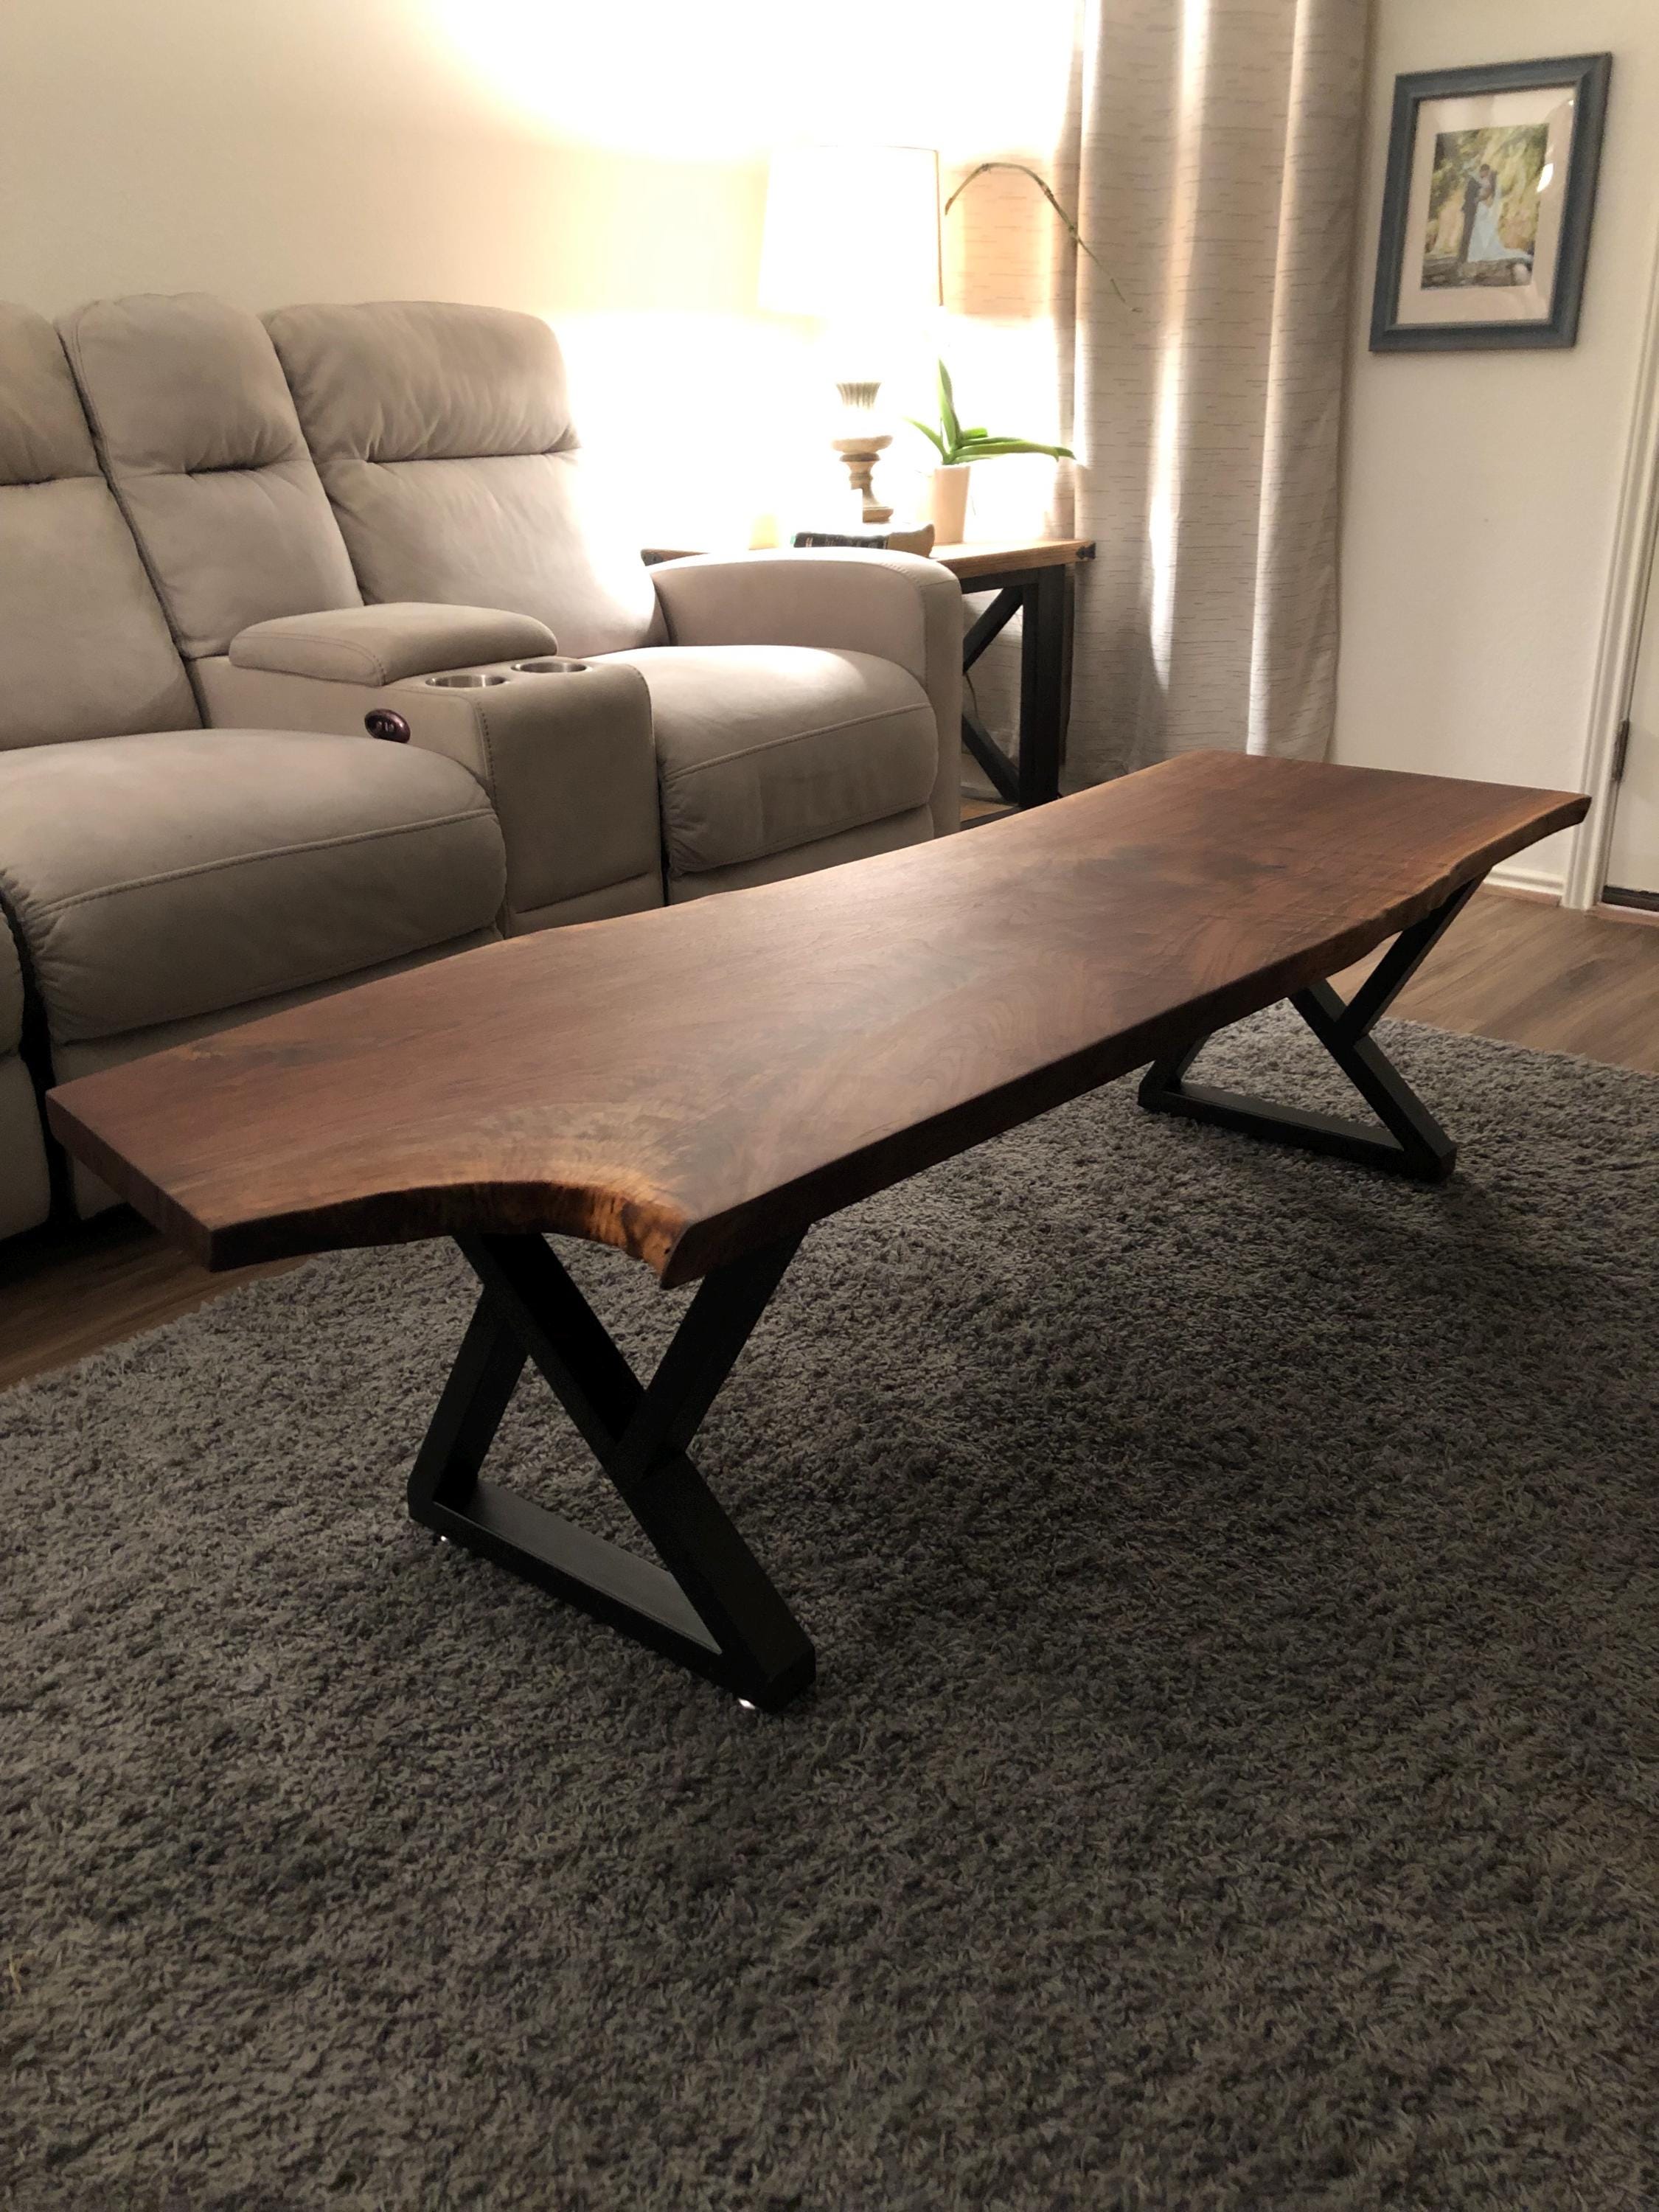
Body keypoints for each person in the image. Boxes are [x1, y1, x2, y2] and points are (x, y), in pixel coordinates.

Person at [1466, 164, 1531, 272]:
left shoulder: (1487, 185)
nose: (1482, 174)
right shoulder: (1484, 182)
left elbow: (1487, 195)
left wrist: (1477, 200)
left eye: (1484, 172)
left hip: (1482, 213)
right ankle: (1479, 252)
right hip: (1480, 214)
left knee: (1483, 233)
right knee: (1479, 233)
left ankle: (1483, 252)